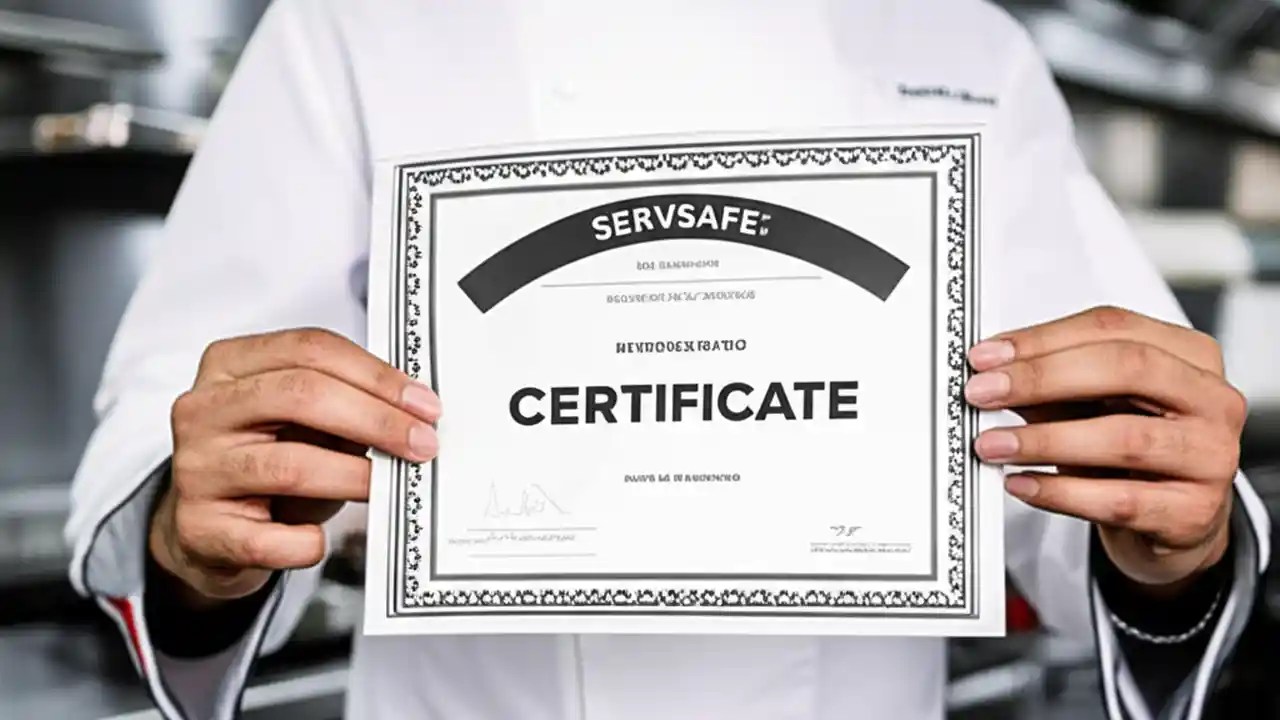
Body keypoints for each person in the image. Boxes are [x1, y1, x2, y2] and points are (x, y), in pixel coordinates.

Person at [67, 1, 1270, 719]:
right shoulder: (358, 22)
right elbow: (182, 416)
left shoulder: (956, 39)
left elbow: (1086, 509)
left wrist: (1167, 531)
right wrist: (191, 524)